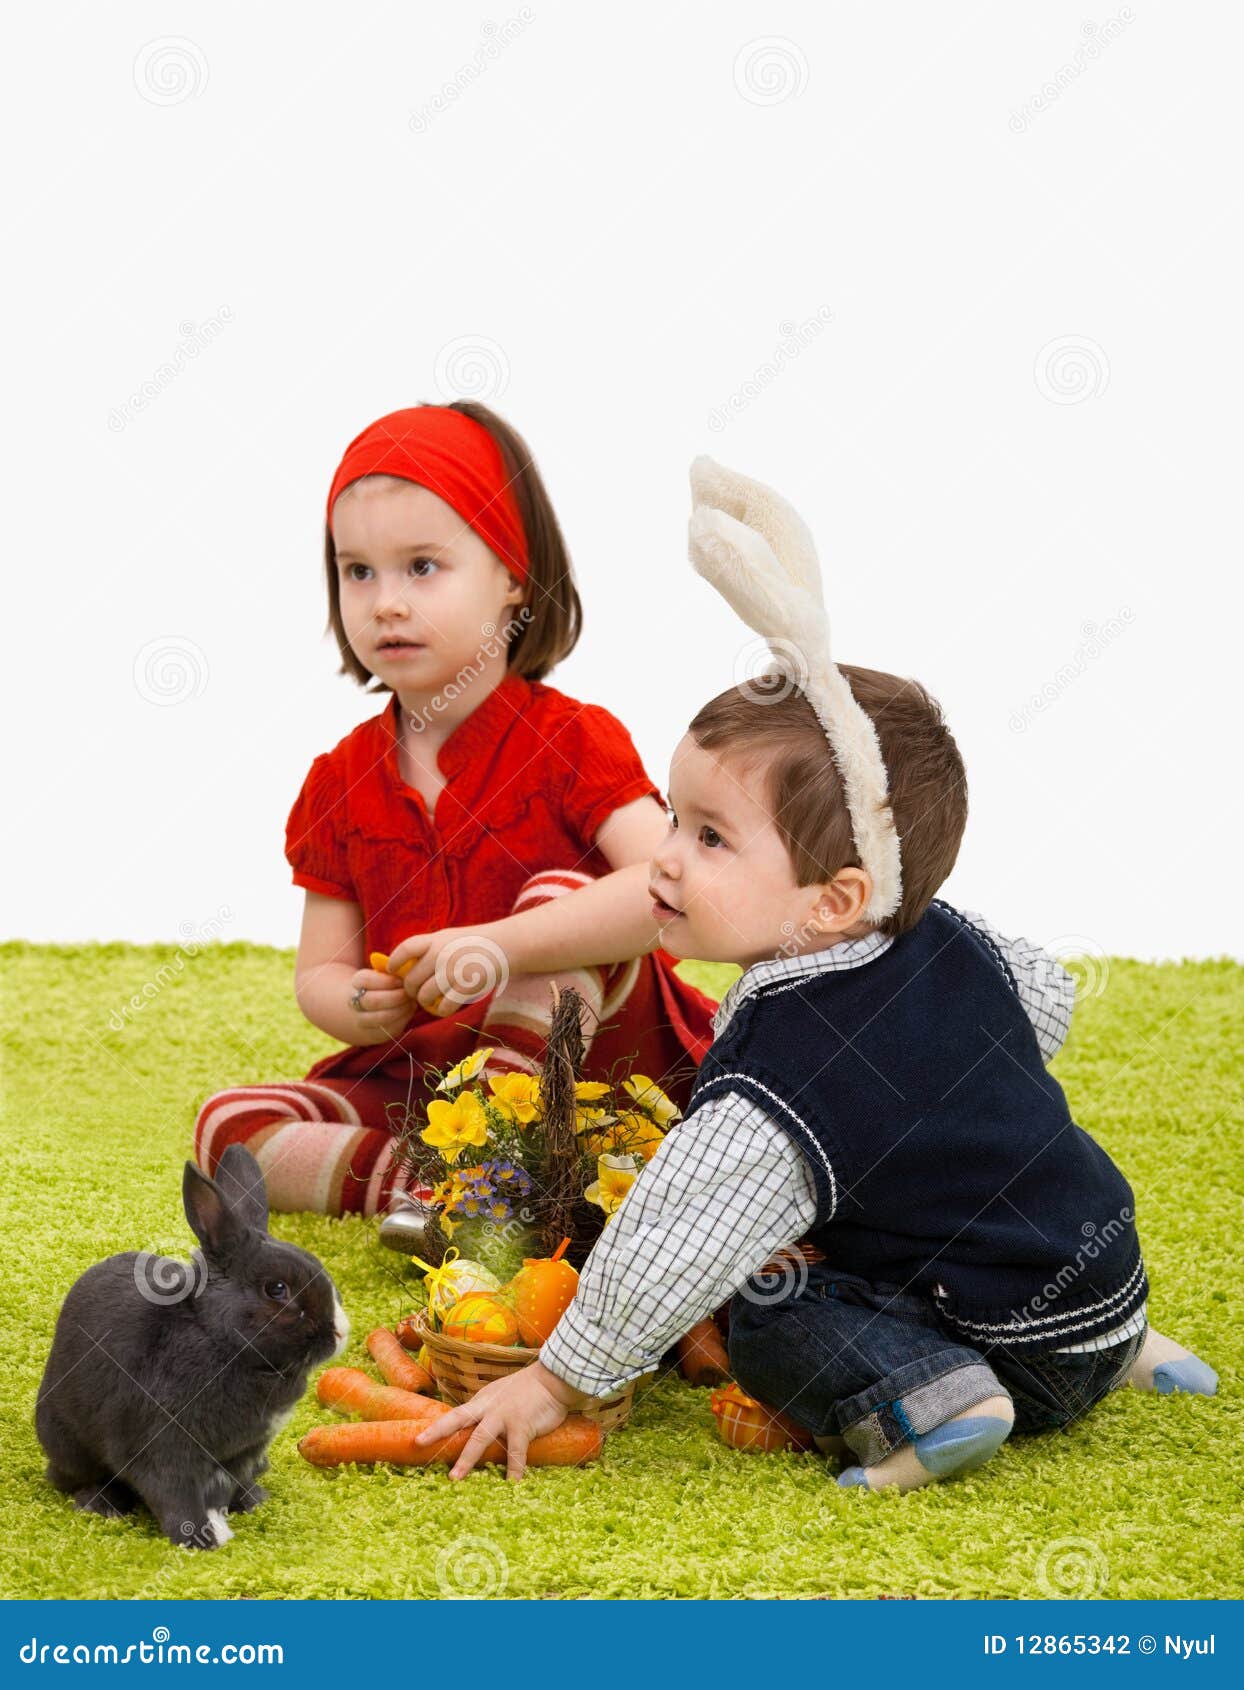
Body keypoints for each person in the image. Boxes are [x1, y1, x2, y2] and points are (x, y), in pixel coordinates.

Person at [418, 457, 1217, 1488]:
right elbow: (1043, 999)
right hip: (1103, 1279)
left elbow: (678, 1230)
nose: (662, 856)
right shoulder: (947, 938)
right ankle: (1116, 1357)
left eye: (708, 838)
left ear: (832, 900)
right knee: (985, 1197)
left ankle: (932, 1396)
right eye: (672, 816)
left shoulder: (785, 1073)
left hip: (993, 1340)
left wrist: (559, 1379)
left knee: (761, 1303)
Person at [192, 403, 717, 1218]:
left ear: (512, 576)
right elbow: (320, 973)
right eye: (357, 571)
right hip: (433, 1088)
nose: (385, 603)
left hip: (605, 1072)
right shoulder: (340, 780)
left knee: (555, 901)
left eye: (422, 567)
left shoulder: (571, 740)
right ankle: (444, 1189)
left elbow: (667, 884)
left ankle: (498, 1172)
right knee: (230, 1127)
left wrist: (499, 946)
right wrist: (360, 1007)